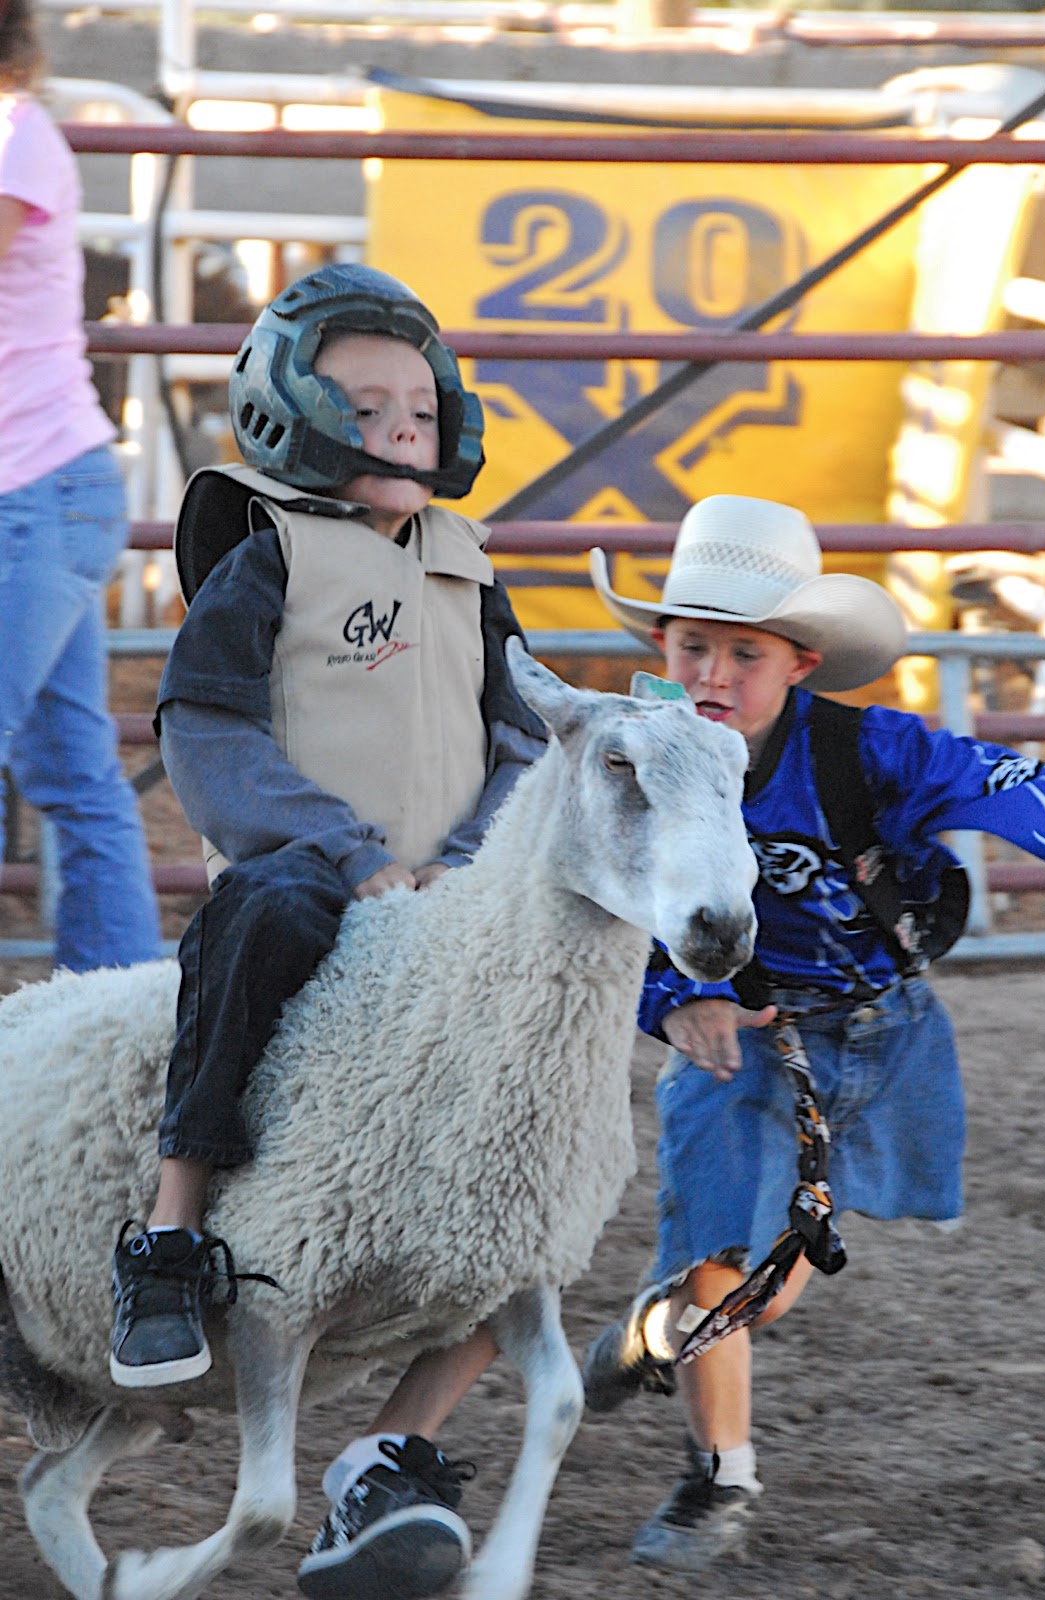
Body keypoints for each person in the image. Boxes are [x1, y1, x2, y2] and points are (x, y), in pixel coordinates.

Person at [105, 260, 548, 1600]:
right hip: (307, 875)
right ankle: (170, 1232)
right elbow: (212, 733)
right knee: (265, 909)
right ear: (290, 413)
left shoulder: (470, 568)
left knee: (547, 1086)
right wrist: (352, 857)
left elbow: (522, 737)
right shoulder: (267, 556)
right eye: (365, 405)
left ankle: (401, 1438)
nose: (404, 423)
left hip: (454, 899)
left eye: (420, 402)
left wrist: (472, 864)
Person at [583, 493, 1045, 1574]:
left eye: (743, 653)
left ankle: (656, 1334)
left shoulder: (870, 751)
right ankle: (719, 1475)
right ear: (661, 646)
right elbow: (597, 900)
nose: (712, 675)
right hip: (740, 1040)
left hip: (881, 1034)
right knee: (720, 1256)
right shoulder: (632, 767)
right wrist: (674, 997)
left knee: (769, 1280)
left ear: (800, 662)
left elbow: (1012, 786)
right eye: (692, 646)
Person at [0, 0, 160, 972]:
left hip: (34, 493)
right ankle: (119, 1012)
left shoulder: (15, 135)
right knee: (75, 776)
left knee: (76, 780)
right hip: (45, 490)